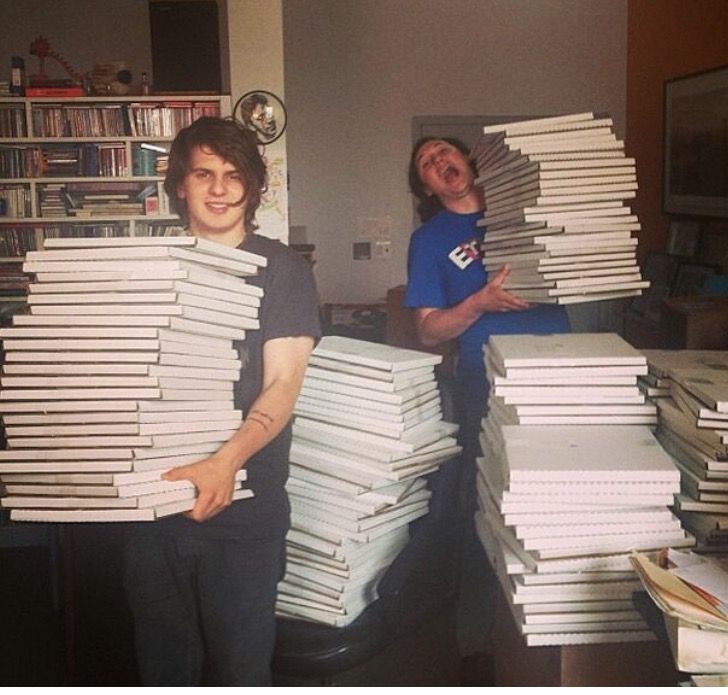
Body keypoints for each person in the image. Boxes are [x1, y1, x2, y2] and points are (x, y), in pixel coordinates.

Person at [122, 117, 321, 686]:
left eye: (234, 175)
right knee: (163, 665)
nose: (218, 188)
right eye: (203, 173)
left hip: (246, 505)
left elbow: (282, 385)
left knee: (240, 667)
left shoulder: (281, 269)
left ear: (252, 187)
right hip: (154, 501)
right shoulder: (146, 267)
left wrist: (225, 463)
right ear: (179, 184)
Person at [404, 136, 571, 681]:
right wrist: (479, 302)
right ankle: (476, 642)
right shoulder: (429, 240)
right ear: (426, 186)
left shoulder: (528, 212)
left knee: (563, 505)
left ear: (470, 163)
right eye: (426, 163)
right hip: (488, 381)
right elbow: (429, 332)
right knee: (486, 511)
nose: (439, 162)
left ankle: (561, 626)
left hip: (565, 375)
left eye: (444, 152)